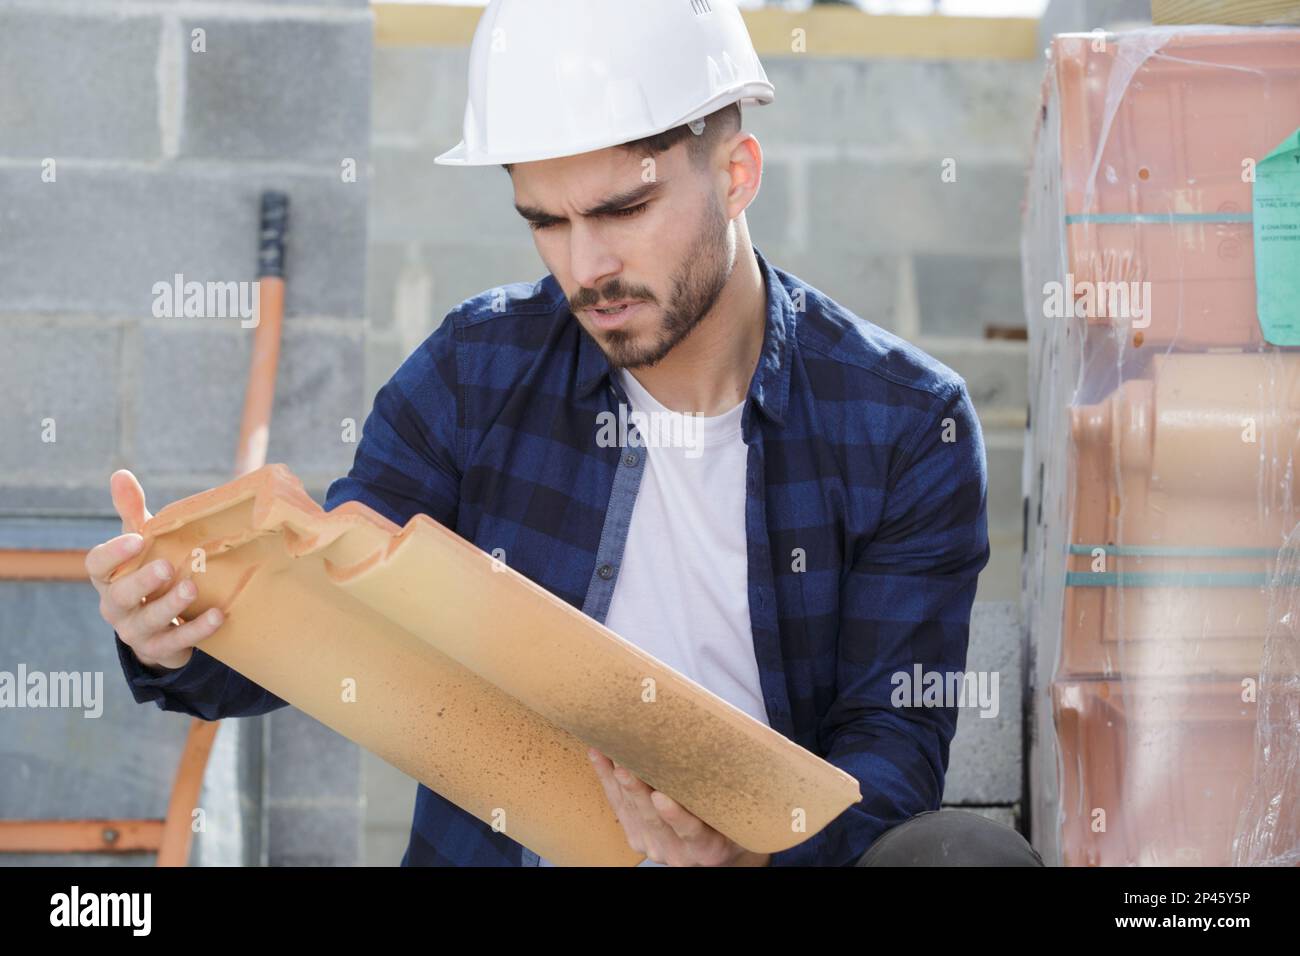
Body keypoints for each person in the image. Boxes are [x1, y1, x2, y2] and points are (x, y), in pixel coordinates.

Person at [86, 0, 1041, 867]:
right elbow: (332, 625)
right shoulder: (475, 370)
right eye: (546, 222)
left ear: (736, 174)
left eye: (624, 209)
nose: (588, 267)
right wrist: (174, 628)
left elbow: (892, 744)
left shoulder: (907, 423)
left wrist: (754, 856)